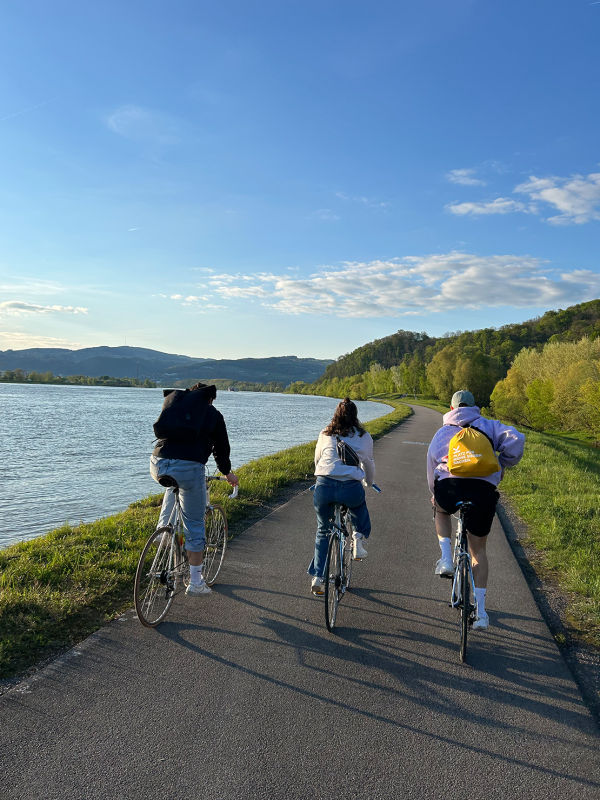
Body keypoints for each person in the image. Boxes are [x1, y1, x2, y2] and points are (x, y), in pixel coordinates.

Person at [427, 390, 525, 630]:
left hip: (450, 488)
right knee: (478, 550)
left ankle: (447, 558)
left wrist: (434, 493)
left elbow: (431, 467)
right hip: (482, 490)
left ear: (451, 409)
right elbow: (517, 439)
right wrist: (502, 463)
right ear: (475, 407)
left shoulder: (442, 432)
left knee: (440, 510)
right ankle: (481, 613)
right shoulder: (490, 426)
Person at [150, 383, 239, 596]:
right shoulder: (213, 414)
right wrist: (228, 473)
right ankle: (196, 581)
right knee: (195, 524)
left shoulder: (177, 407)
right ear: (210, 399)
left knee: (174, 485)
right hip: (189, 468)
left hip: (157, 463)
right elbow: (221, 450)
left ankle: (164, 531)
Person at [308, 398, 376, 596]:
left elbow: (317, 459)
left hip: (324, 486)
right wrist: (369, 483)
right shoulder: (364, 436)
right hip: (350, 488)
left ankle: (318, 577)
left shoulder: (325, 433)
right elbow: (369, 464)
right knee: (359, 507)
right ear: (355, 416)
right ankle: (358, 540)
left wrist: (322, 475)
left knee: (323, 531)